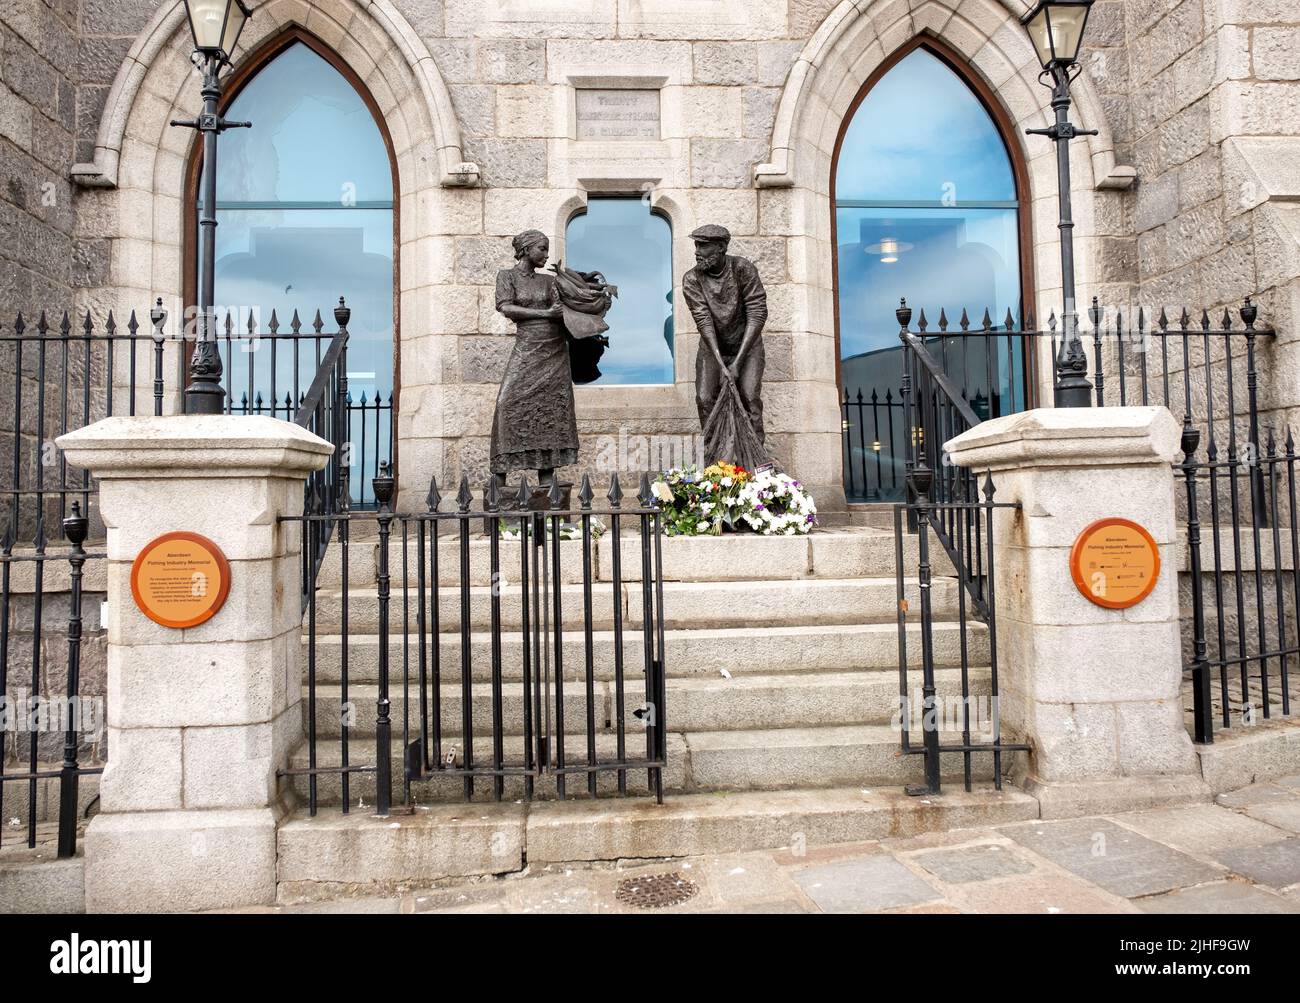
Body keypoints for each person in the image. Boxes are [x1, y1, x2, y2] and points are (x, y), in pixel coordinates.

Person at [490, 230, 577, 492]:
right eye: (542, 248)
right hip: (527, 347)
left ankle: (547, 476)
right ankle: (500, 475)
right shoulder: (507, 276)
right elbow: (506, 307)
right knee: (507, 402)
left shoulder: (549, 281)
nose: (546, 254)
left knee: (551, 407)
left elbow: (564, 309)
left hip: (554, 350)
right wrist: (545, 313)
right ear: (526, 249)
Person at [682, 223, 769, 453]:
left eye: (703, 246)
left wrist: (737, 363)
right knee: (704, 398)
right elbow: (703, 321)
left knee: (749, 397)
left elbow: (757, 312)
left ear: (721, 247)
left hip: (747, 347)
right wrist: (722, 364)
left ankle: (755, 462)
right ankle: (715, 461)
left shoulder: (742, 269)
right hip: (713, 349)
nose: (697, 251)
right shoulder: (691, 279)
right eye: (696, 245)